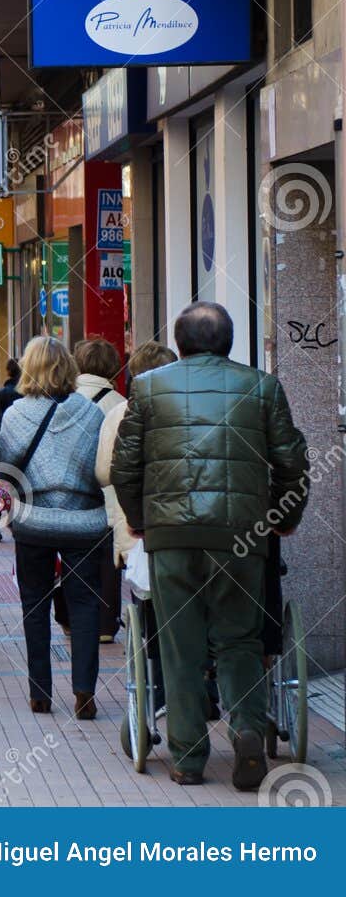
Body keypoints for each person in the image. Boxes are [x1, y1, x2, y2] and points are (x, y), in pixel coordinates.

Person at [111, 302, 309, 790]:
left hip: (173, 535)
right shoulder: (261, 387)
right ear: (229, 342)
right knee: (239, 638)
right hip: (241, 536)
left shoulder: (149, 387)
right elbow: (292, 462)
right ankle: (246, 728)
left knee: (180, 645)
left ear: (178, 344)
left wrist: (140, 521)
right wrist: (283, 519)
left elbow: (125, 465)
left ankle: (188, 758)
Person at [0, 337, 110, 719]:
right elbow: (101, 469)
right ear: (68, 368)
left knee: (35, 604)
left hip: (34, 522)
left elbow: (4, 468)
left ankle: (40, 693)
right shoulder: (92, 414)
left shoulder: (15, 414)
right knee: (85, 606)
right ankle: (84, 692)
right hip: (85, 522)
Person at [95, 340, 178, 715]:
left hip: (143, 529)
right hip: (202, 531)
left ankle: (160, 691)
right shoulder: (190, 411)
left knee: (153, 612)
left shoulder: (123, 414)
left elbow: (103, 473)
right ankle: (206, 685)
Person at [72, 337, 126, 642]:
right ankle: (105, 624)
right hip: (109, 497)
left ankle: (73, 618)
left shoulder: (64, 399)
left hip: (74, 493)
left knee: (74, 558)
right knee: (108, 562)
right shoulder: (120, 402)